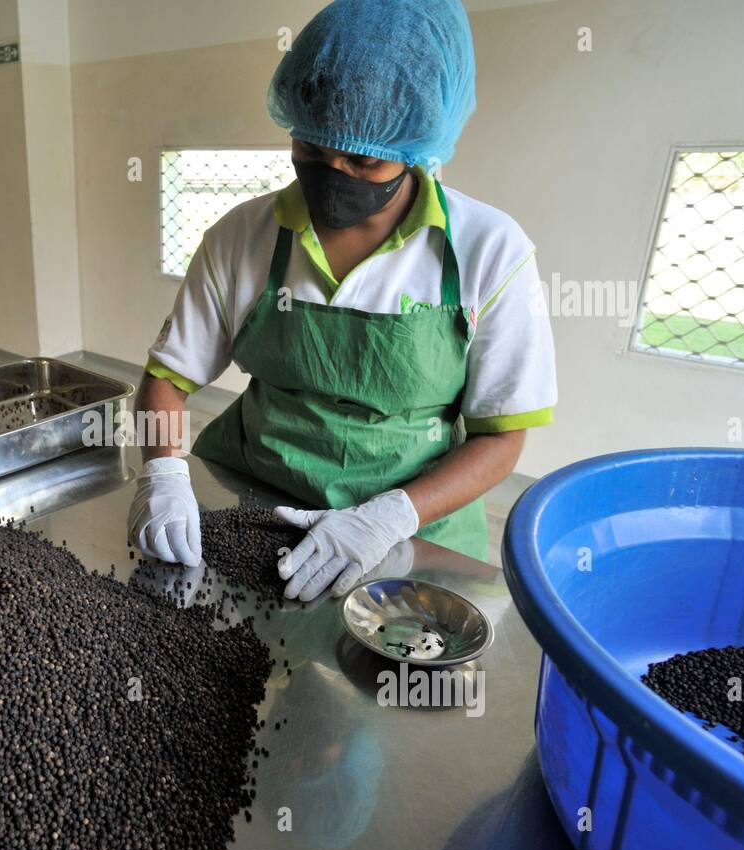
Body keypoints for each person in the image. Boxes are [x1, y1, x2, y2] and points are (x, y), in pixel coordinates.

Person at [127, 0, 556, 602]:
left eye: (362, 158)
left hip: (411, 524)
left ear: (416, 147)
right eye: (312, 147)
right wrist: (164, 474)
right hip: (251, 499)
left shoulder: (489, 250)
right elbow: (166, 380)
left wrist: (387, 517)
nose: (333, 173)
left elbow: (501, 438)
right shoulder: (242, 235)